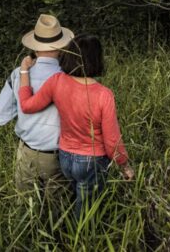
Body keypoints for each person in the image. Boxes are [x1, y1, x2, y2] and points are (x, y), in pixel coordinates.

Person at [18, 34, 134, 217]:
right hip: (91, 161)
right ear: (97, 59)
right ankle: (79, 241)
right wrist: (124, 165)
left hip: (65, 158)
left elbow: (26, 105)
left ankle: (62, 232)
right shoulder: (104, 94)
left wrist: (24, 72)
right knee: (86, 213)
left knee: (74, 199)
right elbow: (112, 140)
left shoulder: (57, 81)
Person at [0, 14, 74, 193]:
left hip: (26, 153)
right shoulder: (70, 77)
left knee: (27, 211)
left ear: (34, 48)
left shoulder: (18, 74)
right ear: (62, 46)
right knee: (59, 213)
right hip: (60, 156)